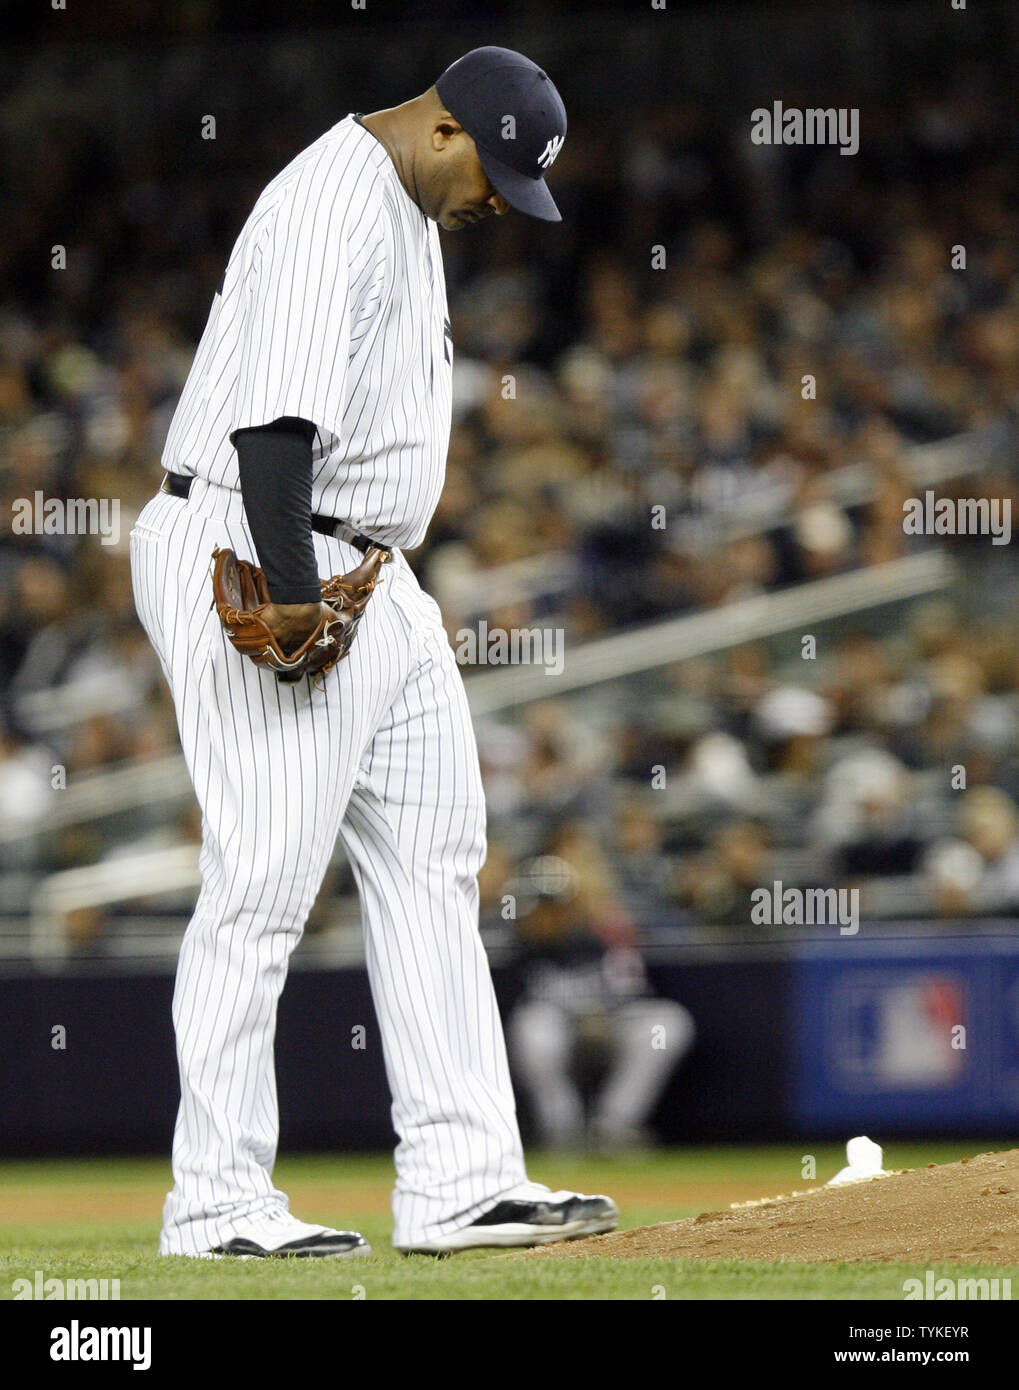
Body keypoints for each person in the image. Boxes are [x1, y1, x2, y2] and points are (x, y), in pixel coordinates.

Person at [130, 47, 616, 1258]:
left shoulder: (411, 207)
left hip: (371, 569)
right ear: (443, 128)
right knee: (259, 887)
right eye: (494, 174)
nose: (497, 201)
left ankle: (461, 1179)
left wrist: (340, 588)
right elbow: (275, 427)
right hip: (264, 538)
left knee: (436, 857)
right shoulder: (331, 202)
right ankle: (216, 1203)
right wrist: (292, 600)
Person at [506, 856, 696, 1149]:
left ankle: (614, 1126)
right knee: (531, 1028)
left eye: (556, 905)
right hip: (563, 1031)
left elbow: (636, 993)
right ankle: (561, 1130)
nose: (549, 914)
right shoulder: (524, 947)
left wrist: (601, 1016)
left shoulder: (604, 934)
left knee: (667, 1024)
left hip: (616, 1025)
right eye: (542, 907)